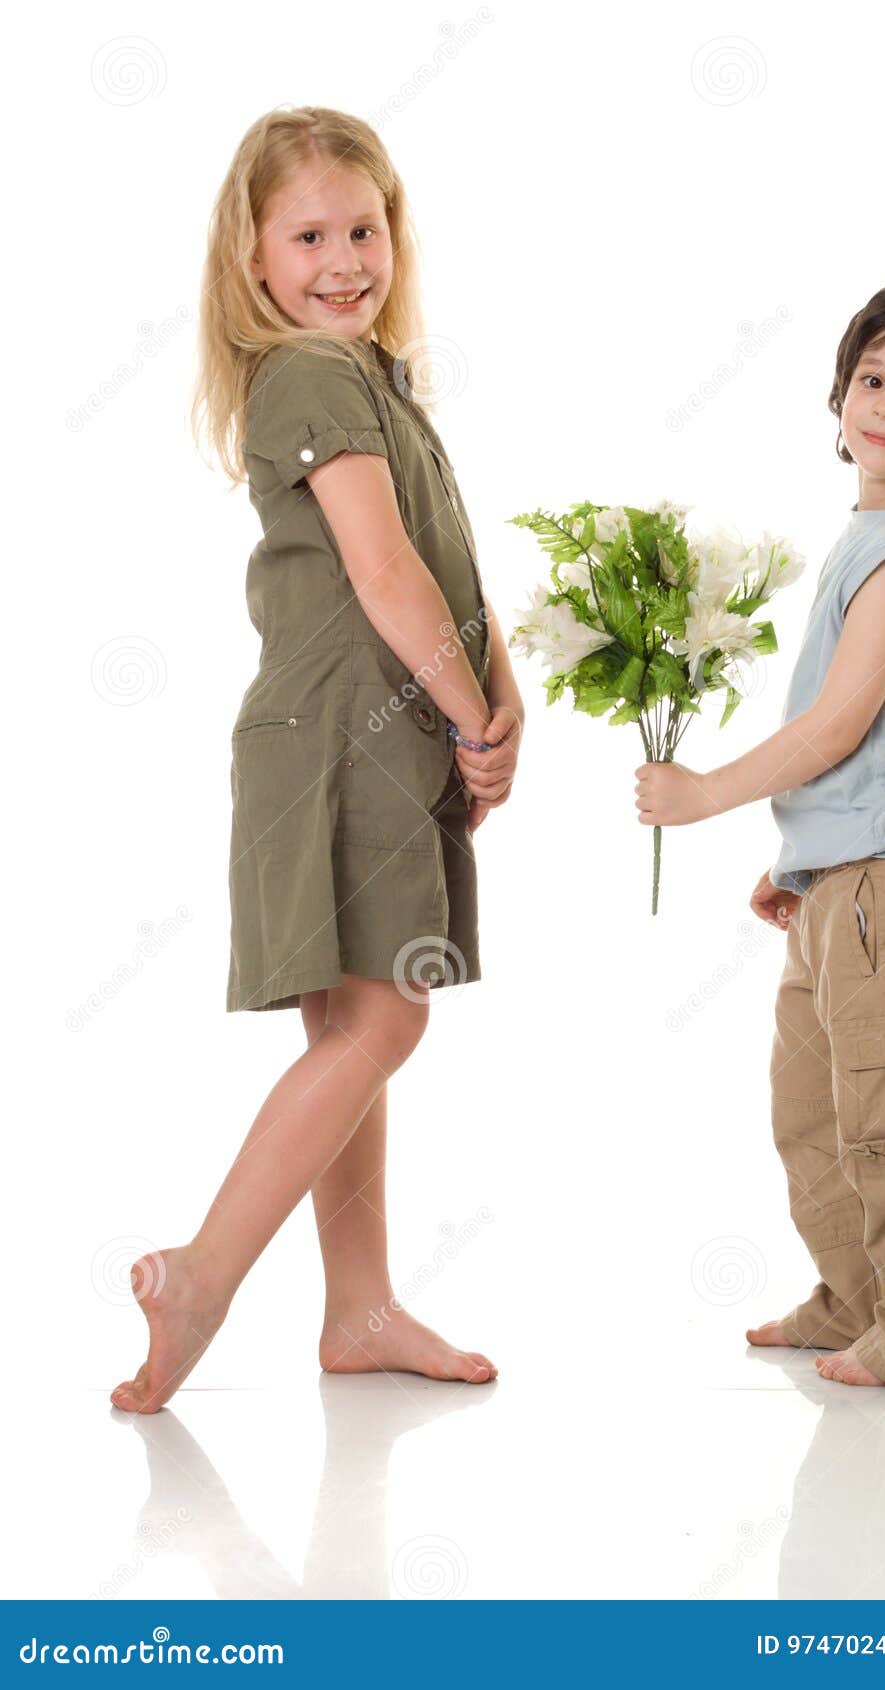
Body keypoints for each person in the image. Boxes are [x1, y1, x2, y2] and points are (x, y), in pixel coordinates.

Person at [111, 105, 523, 1414]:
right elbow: (382, 571)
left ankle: (357, 1306)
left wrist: (497, 696)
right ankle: (205, 1270)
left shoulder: (377, 380)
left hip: (375, 727)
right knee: (384, 1015)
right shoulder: (307, 376)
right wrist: (466, 711)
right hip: (339, 734)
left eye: (365, 228)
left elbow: (447, 558)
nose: (344, 259)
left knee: (352, 1023)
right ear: (252, 256)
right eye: (308, 236)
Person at [634, 268, 885, 1391]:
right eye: (872, 377)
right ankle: (861, 1294)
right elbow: (870, 753)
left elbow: (836, 724)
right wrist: (800, 856)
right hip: (852, 882)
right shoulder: (868, 532)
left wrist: (706, 793)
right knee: (816, 1104)